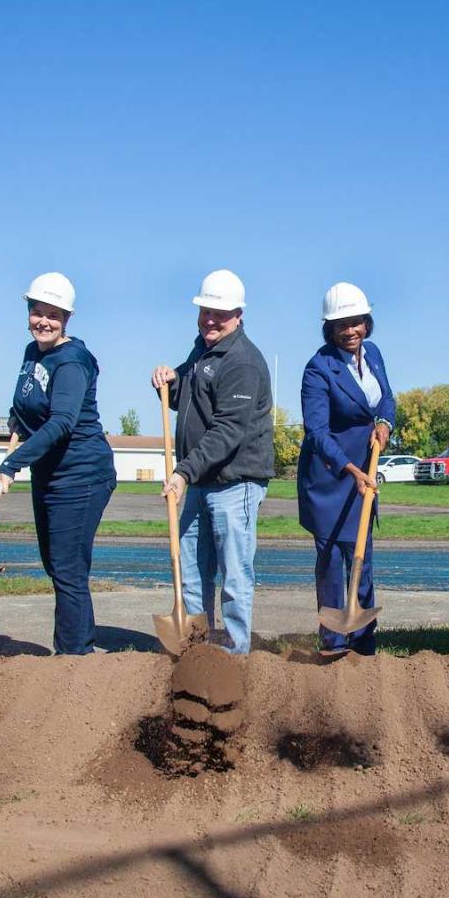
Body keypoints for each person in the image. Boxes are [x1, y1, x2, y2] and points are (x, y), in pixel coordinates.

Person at [151, 269, 274, 656]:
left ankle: (236, 654)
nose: (210, 319)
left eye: (219, 314)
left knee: (234, 574)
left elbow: (227, 431)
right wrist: (169, 382)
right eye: (206, 311)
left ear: (238, 315)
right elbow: (188, 400)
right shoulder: (203, 350)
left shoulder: (242, 362)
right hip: (201, 480)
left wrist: (183, 472)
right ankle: (196, 648)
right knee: (191, 571)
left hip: (234, 483)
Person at [0, 273, 116, 656]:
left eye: (52, 314)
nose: (42, 321)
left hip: (81, 474)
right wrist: (19, 419)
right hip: (49, 473)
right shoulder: (33, 353)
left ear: (67, 318)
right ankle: (80, 645)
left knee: (67, 568)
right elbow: (29, 402)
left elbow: (62, 422)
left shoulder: (73, 361)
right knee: (57, 565)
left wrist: (12, 463)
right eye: (36, 312)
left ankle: (72, 658)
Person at [297, 283, 396, 657]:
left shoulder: (373, 355)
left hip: (364, 471)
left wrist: (385, 423)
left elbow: (386, 397)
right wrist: (351, 470)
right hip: (330, 476)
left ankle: (364, 640)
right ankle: (334, 642)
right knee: (331, 560)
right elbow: (316, 432)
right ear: (330, 328)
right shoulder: (318, 368)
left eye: (357, 322)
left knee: (362, 555)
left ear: (366, 323)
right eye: (342, 325)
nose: (351, 331)